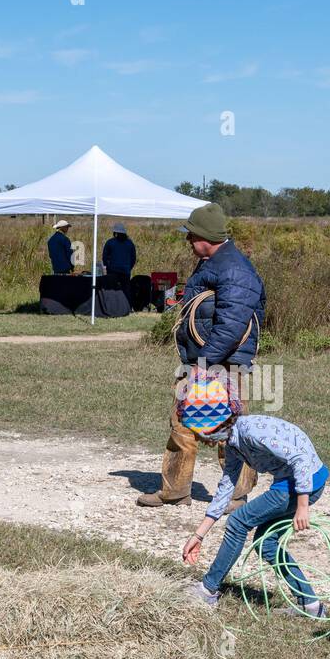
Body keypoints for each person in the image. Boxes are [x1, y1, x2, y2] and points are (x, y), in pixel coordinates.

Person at [137, 203, 265, 509]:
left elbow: (232, 326)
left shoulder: (233, 269)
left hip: (223, 363)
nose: (188, 241)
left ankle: (238, 496)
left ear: (205, 237)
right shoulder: (215, 263)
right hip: (203, 359)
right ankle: (175, 491)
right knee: (182, 423)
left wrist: (204, 365)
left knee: (229, 429)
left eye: (191, 235)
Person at [178, 372, 329, 615]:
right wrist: (199, 535)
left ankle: (208, 590)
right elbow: (225, 488)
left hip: (301, 482)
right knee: (265, 542)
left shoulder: (251, 432)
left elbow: (299, 458)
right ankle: (311, 605)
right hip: (294, 482)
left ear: (213, 425)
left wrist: (302, 506)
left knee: (238, 522)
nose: (201, 440)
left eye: (200, 433)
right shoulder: (234, 444)